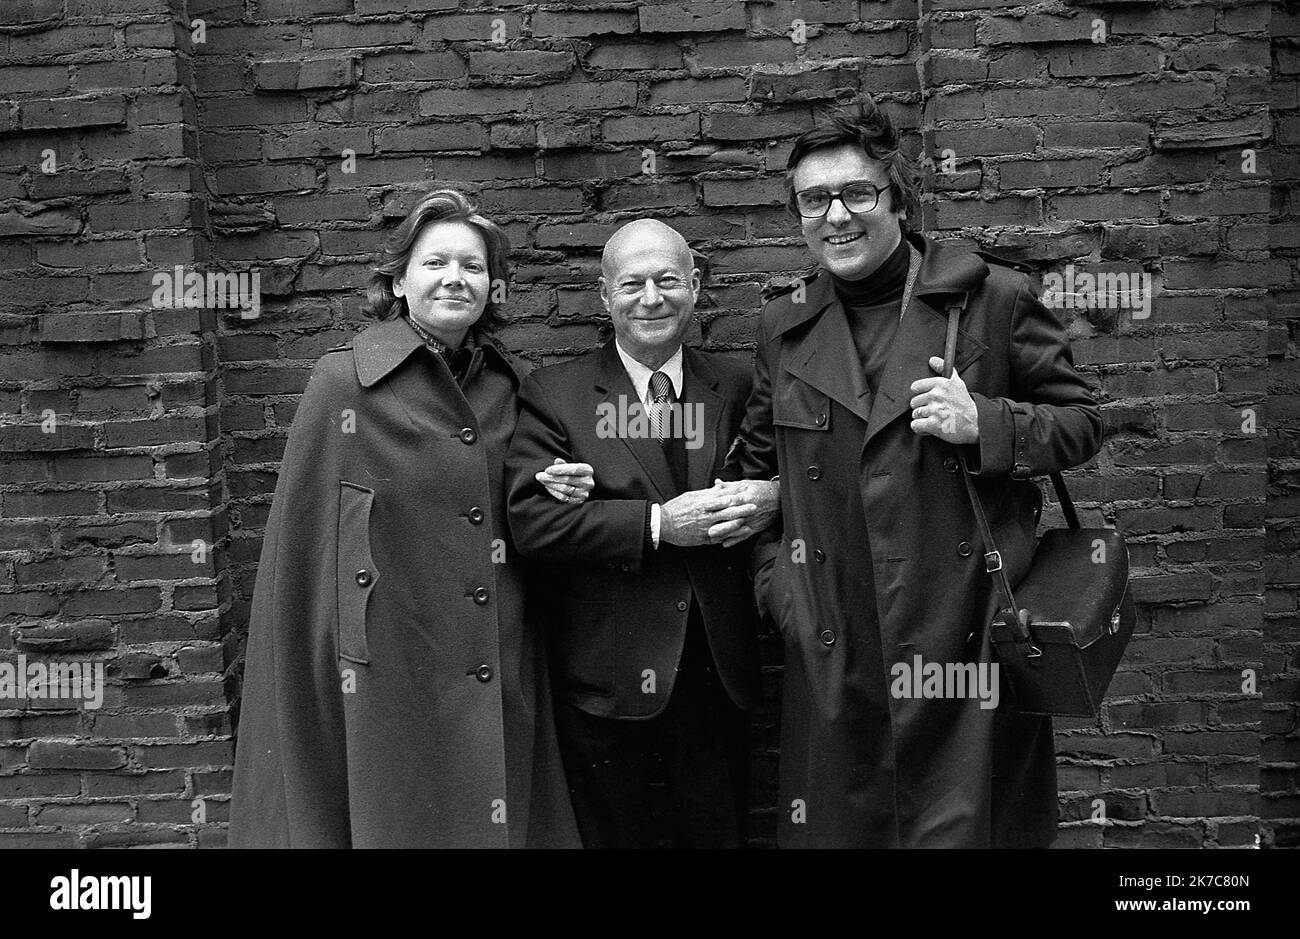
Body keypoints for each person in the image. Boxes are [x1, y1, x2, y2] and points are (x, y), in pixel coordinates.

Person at [724, 99, 1104, 848]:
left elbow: (1084, 423)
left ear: (896, 197)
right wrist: (785, 595)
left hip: (963, 644)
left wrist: (988, 423)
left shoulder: (993, 297)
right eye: (813, 200)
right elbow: (757, 473)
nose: (836, 215)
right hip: (837, 648)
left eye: (857, 193)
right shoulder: (782, 324)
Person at [230, 188, 581, 848]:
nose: (455, 278)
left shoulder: (516, 384)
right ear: (397, 278)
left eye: (473, 266)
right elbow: (303, 561)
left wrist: (551, 489)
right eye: (435, 262)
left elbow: (522, 511)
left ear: (493, 285)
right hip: (388, 664)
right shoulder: (342, 384)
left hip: (492, 652)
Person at [504, 219, 779, 848]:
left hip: (718, 670)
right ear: (605, 296)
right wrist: (659, 526)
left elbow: (794, 484)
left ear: (697, 286)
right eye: (632, 284)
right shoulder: (555, 393)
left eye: (667, 281)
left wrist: (776, 498)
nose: (650, 298)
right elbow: (533, 523)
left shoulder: (738, 385)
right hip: (606, 673)